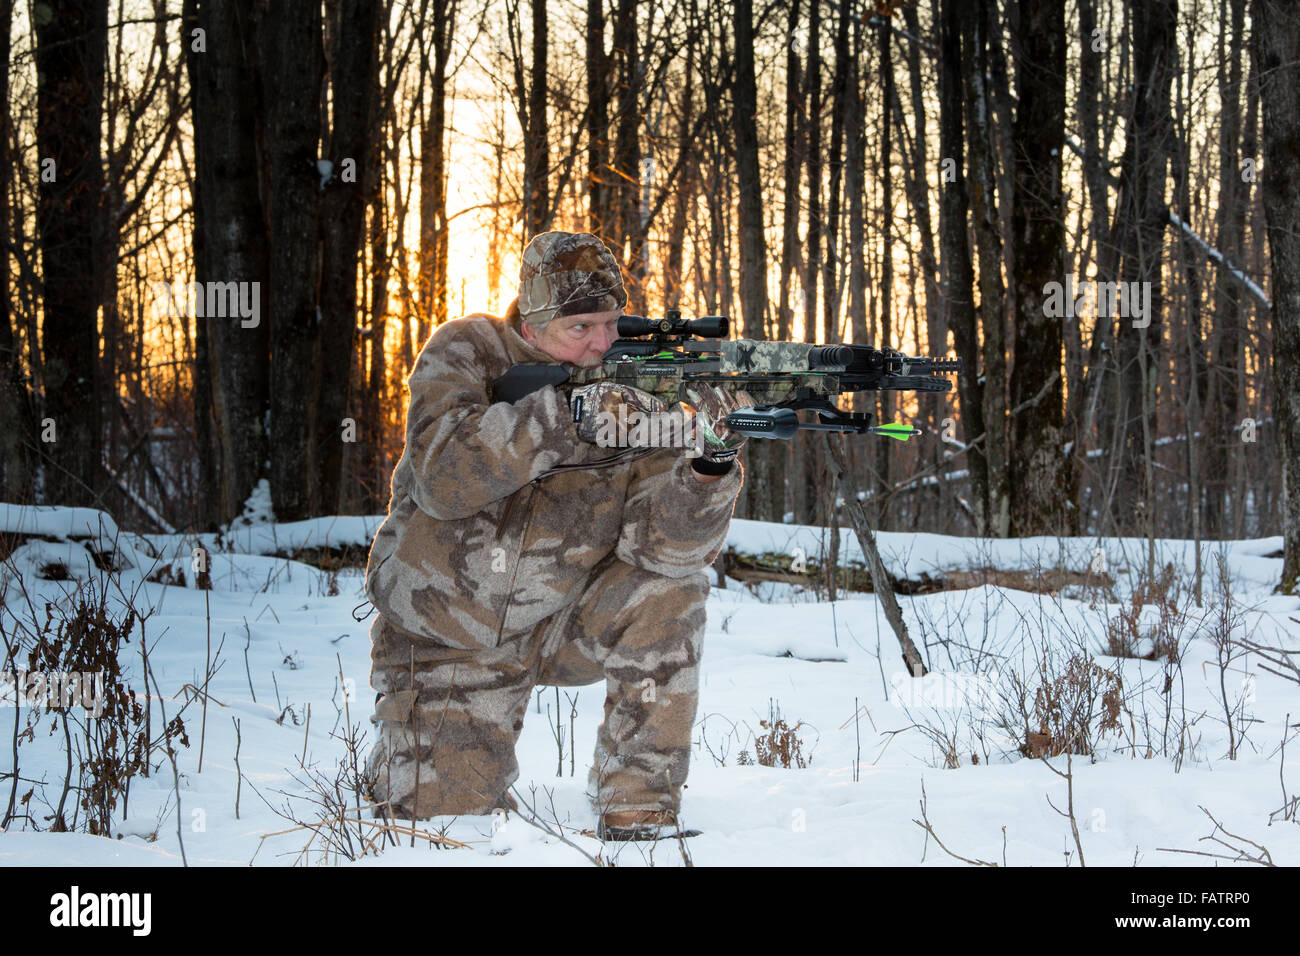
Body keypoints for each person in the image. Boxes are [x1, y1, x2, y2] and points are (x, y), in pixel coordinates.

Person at [363, 230, 748, 840]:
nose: (602, 345)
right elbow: (443, 478)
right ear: (534, 324)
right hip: (449, 634)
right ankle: (407, 747)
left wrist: (708, 461)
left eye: (612, 324)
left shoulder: (638, 393)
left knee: (673, 592)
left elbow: (662, 550)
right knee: (442, 827)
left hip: (563, 620)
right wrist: (566, 417)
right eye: (581, 328)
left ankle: (638, 803)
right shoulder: (467, 350)